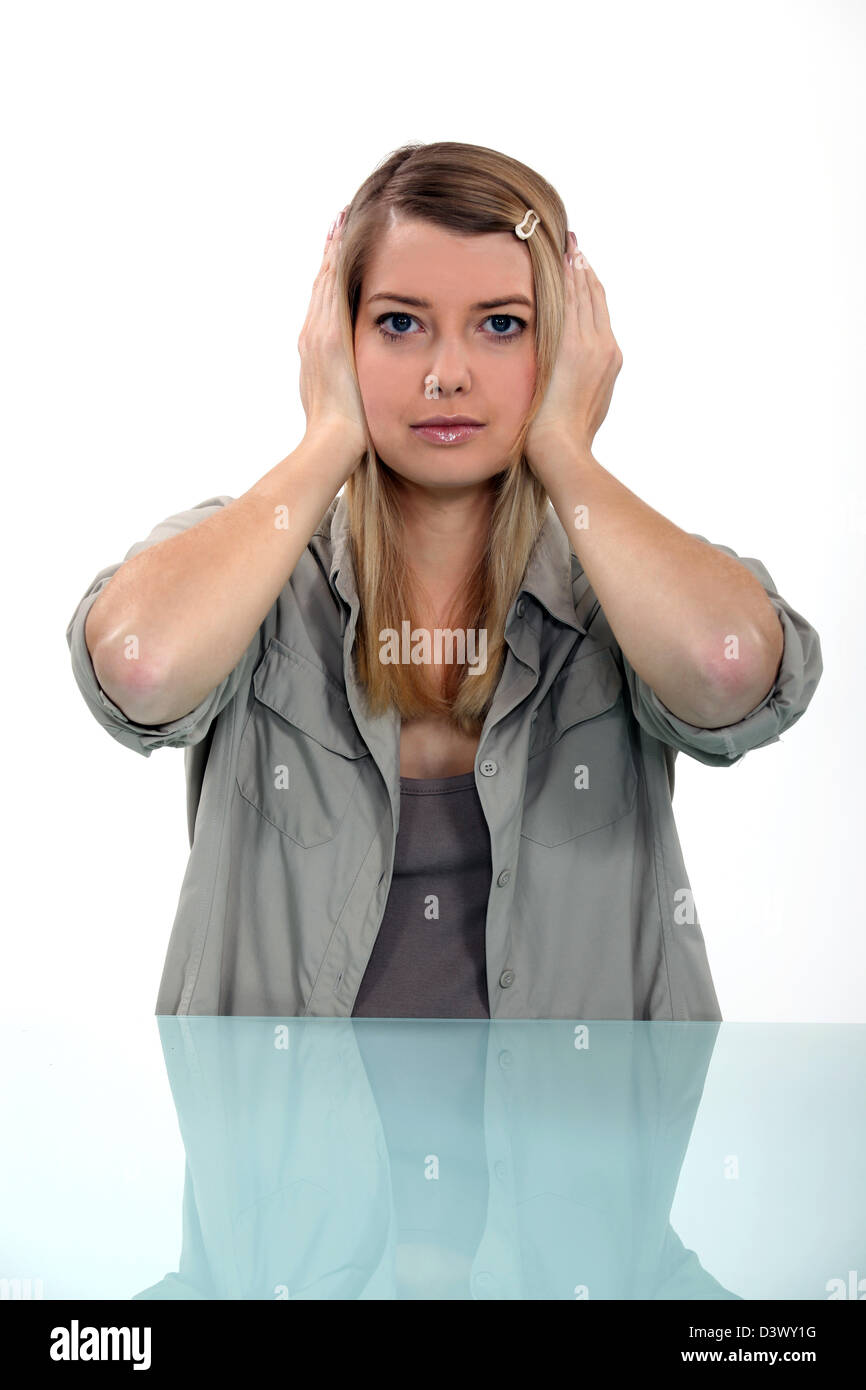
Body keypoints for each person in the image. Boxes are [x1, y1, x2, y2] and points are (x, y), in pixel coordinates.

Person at [66, 140, 823, 1019]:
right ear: (336, 341)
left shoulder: (621, 581)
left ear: (568, 348)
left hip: (579, 1154)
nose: (447, 373)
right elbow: (140, 667)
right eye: (399, 322)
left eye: (502, 324)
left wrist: (567, 454)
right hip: (277, 1156)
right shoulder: (252, 559)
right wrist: (324, 441)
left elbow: (727, 672)